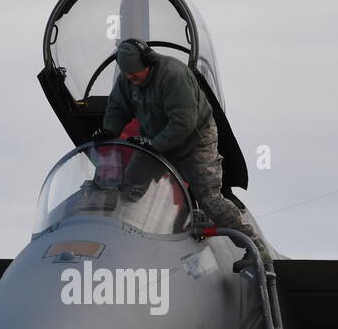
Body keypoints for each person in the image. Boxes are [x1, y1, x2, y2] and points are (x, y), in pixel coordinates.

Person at [94, 39, 270, 266]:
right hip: (156, 139)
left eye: (134, 73)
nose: (130, 78)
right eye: (127, 74)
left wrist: (154, 145)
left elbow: (184, 123)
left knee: (210, 200)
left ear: (148, 62)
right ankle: (122, 248)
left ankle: (257, 250)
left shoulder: (173, 76)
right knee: (129, 186)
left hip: (195, 141)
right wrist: (109, 130)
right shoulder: (128, 79)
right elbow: (117, 107)